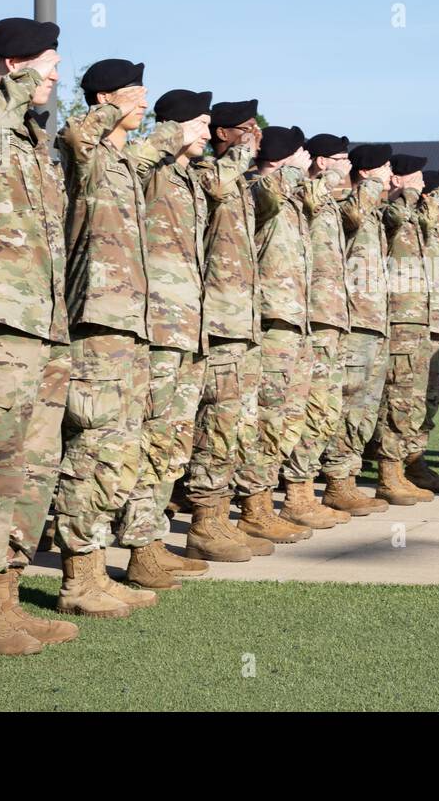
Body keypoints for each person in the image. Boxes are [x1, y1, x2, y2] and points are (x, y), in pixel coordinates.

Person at [0, 17, 79, 651]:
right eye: (44, 65)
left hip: (43, 325)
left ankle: (7, 593)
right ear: (10, 63)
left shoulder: (33, 140)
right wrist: (7, 91)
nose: (54, 76)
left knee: (33, 468)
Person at [52, 58, 157, 616]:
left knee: (117, 449)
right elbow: (74, 131)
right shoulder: (88, 152)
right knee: (92, 449)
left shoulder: (120, 162)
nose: (142, 103)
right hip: (96, 324)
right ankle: (78, 579)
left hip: (127, 323)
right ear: (104, 101)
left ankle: (93, 567)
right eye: (133, 94)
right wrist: (111, 108)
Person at [118, 88, 213, 584]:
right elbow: (128, 164)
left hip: (187, 328)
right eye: (199, 122)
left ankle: (152, 540)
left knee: (173, 441)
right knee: (150, 437)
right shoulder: (151, 170)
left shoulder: (187, 178)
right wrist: (171, 135)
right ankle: (137, 545)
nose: (207, 131)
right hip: (158, 326)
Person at [242, 125, 344, 537]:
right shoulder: (257, 186)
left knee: (294, 416)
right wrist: (295, 172)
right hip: (273, 319)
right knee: (268, 416)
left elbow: (327, 204)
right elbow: (264, 194)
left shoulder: (296, 193)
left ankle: (292, 497)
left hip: (299, 318)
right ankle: (255, 506)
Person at [183, 99, 274, 563]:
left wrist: (256, 159)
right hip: (216, 320)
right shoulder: (205, 171)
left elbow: (271, 206)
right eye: (245, 128)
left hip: (242, 319)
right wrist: (240, 154)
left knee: (238, 427)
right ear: (222, 134)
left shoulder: (240, 179)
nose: (253, 135)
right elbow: (216, 184)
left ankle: (220, 517)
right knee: (215, 426)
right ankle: (204, 522)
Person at [284, 134, 386, 515]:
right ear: (323, 163)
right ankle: (303, 490)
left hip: (343, 316)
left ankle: (338, 481)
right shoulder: (328, 198)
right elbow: (353, 211)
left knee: (345, 407)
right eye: (338, 159)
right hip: (315, 317)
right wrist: (368, 179)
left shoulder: (333, 201)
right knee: (317, 406)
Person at [321, 145, 398, 505]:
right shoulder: (346, 204)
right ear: (367, 174)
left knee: (365, 406)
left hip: (374, 321)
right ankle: (337, 480)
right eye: (382, 168)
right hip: (354, 320)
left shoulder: (374, 212)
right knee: (349, 402)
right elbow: (349, 216)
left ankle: (348, 477)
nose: (389, 174)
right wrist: (369, 185)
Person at [372, 153, 439, 503]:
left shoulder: (413, 216)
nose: (422, 184)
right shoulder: (390, 210)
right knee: (397, 397)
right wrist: (407, 193)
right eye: (415, 177)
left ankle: (400, 467)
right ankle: (389, 473)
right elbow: (395, 217)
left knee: (410, 400)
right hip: (398, 318)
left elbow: (425, 223)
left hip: (416, 318)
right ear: (398, 180)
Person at [414, 166, 439, 490]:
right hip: (417, 325)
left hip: (436, 324)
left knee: (429, 399)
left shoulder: (434, 231)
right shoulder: (418, 224)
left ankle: (416, 460)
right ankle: (407, 463)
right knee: (410, 400)